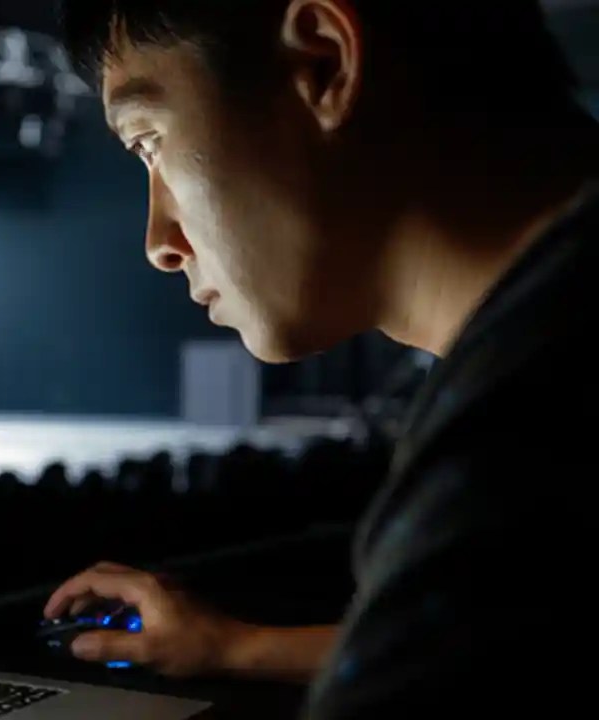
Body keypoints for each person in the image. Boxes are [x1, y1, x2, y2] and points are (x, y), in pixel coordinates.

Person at [45, 0, 598, 716]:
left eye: (150, 144)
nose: (159, 241)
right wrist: (233, 647)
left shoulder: (526, 433)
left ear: (324, 63)